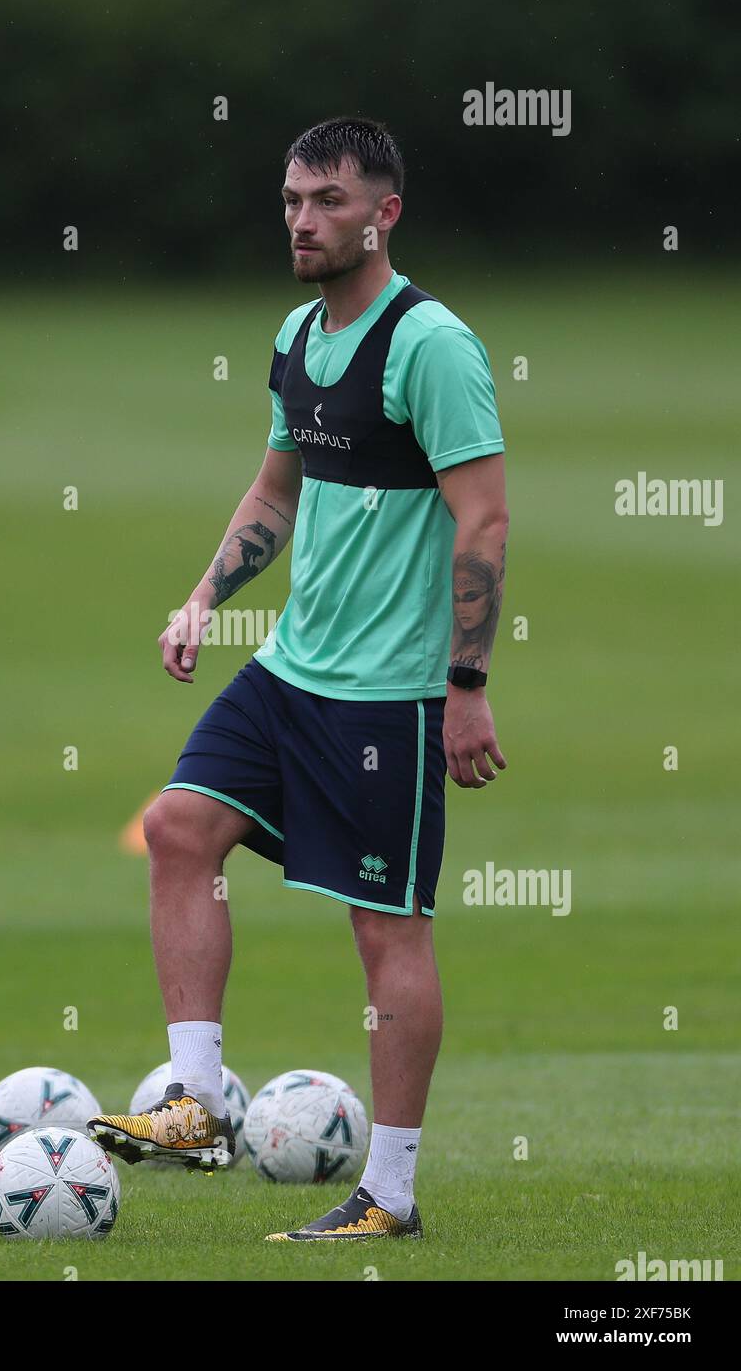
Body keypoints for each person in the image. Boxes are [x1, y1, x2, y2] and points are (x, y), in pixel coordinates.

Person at [87, 115, 509, 1242]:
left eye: (327, 200)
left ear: (386, 212)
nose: (303, 220)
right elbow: (276, 493)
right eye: (290, 200)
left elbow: (484, 520)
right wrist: (201, 599)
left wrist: (464, 684)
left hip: (388, 696)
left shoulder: (432, 347)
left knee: (388, 935)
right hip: (289, 672)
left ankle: (390, 1192)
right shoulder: (295, 334)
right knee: (178, 827)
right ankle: (199, 1103)